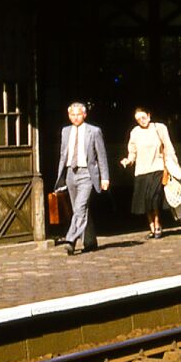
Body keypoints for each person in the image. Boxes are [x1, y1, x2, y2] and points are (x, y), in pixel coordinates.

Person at [55, 102, 110, 256]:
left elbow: (101, 155)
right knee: (80, 210)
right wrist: (61, 176)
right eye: (72, 115)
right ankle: (90, 241)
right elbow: (63, 155)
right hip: (71, 173)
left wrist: (104, 177)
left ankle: (70, 239)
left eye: (78, 114)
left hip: (87, 174)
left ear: (84, 115)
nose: (75, 117)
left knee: (80, 207)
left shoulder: (94, 131)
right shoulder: (65, 131)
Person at [120, 106, 181, 239]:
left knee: (155, 198)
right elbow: (132, 152)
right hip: (142, 171)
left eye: (143, 117)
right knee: (145, 201)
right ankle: (152, 226)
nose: (142, 121)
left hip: (157, 167)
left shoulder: (159, 128)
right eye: (138, 119)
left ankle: (158, 223)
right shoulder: (135, 132)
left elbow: (168, 147)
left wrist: (174, 164)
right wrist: (128, 160)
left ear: (149, 115)